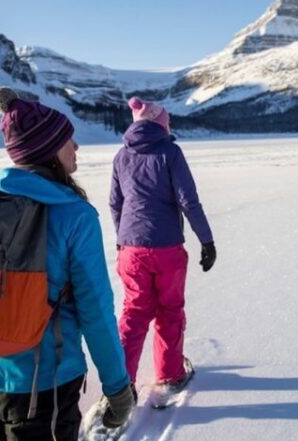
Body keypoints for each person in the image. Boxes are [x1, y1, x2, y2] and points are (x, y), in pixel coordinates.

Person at [0, 87, 135, 440]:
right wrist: (117, 387)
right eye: (68, 140)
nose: (76, 147)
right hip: (44, 389)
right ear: (48, 150)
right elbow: (96, 312)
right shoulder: (73, 215)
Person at [109, 96, 216, 393]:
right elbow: (188, 201)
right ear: (161, 124)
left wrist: (123, 239)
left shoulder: (121, 156)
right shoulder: (171, 152)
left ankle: (121, 384)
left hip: (131, 250)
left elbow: (115, 203)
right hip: (167, 248)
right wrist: (206, 240)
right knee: (169, 310)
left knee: (134, 312)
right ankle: (170, 374)